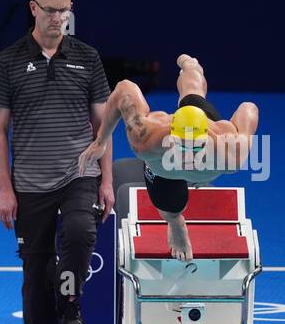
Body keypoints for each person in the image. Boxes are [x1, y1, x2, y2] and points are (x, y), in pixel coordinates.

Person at [0, 0, 114, 324]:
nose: (58, 18)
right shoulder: (8, 61)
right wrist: (4, 189)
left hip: (79, 173)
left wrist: (107, 180)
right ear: (33, 9)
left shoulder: (88, 57)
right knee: (36, 269)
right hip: (30, 180)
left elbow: (103, 124)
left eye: (64, 10)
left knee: (79, 234)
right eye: (50, 10)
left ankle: (70, 304)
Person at [79, 54, 259, 262]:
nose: (190, 156)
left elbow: (249, 109)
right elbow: (123, 89)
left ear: (207, 138)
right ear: (172, 137)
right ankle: (175, 224)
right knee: (170, 205)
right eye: (183, 148)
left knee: (193, 93)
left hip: (205, 138)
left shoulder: (230, 153)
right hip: (164, 171)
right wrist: (101, 140)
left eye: (196, 148)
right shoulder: (146, 140)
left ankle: (191, 66)